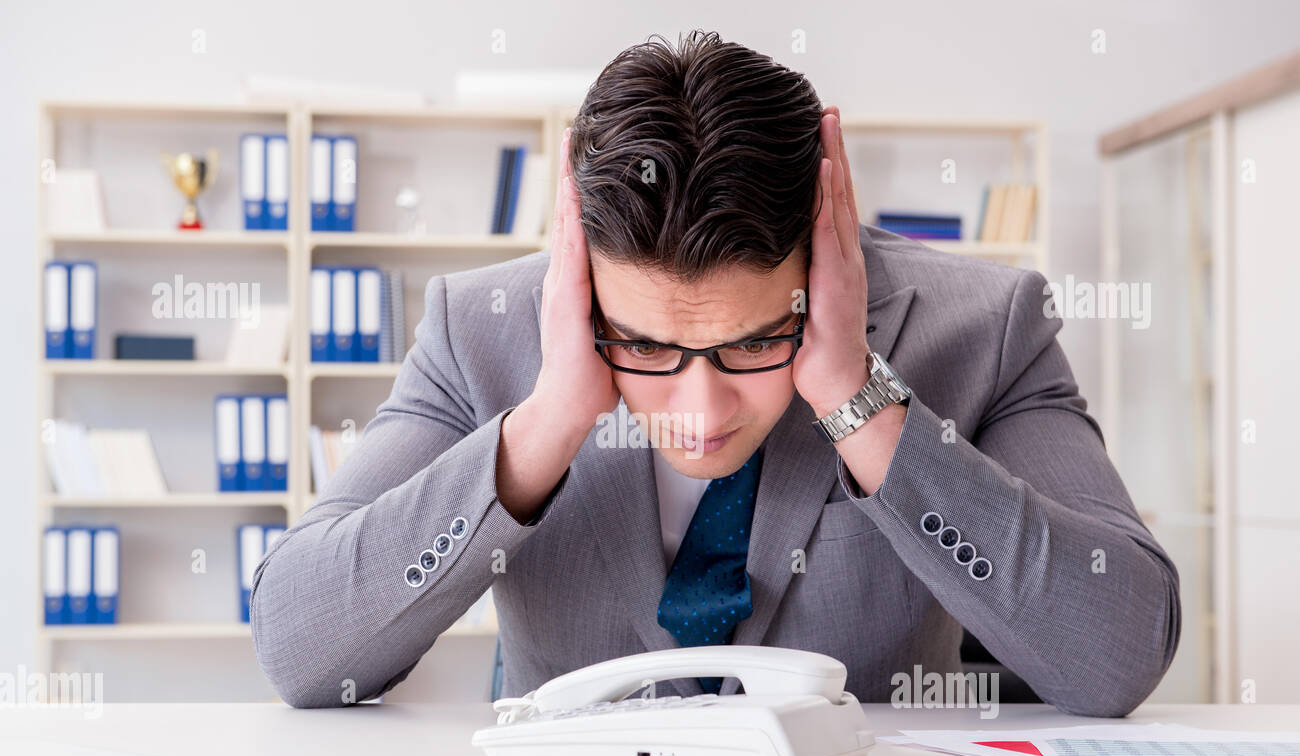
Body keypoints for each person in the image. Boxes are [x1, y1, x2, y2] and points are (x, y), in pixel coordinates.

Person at [251, 30, 1179, 715]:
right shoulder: (479, 333)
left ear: (823, 248)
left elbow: (1117, 654)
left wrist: (861, 401)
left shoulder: (984, 330)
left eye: (751, 343)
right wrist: (544, 427)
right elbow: (299, 646)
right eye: (647, 346)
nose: (700, 412)